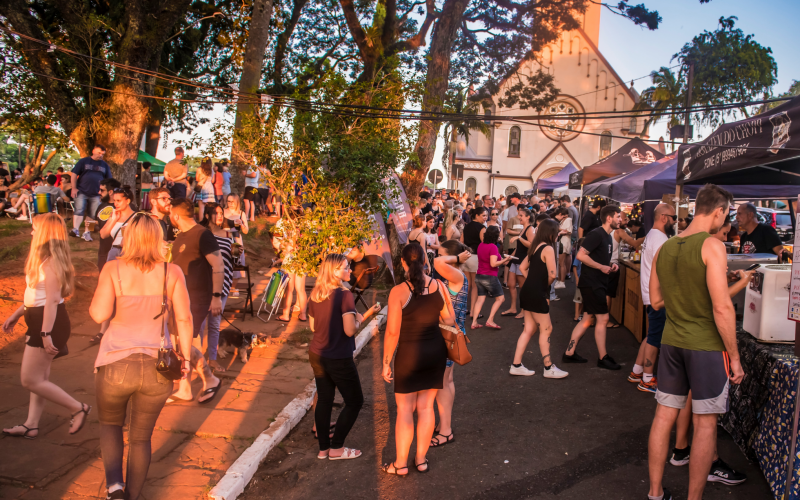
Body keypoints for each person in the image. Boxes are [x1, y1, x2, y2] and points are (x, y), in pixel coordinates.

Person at [647, 184, 745, 500]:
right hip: (704, 347)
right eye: (726, 214)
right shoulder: (712, 246)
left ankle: (655, 493)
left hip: (672, 343)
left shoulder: (666, 246)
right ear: (718, 211)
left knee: (664, 416)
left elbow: (657, 300)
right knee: (705, 425)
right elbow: (721, 306)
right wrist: (736, 356)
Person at [89, 213, 194, 500]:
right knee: (141, 437)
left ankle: (114, 488)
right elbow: (184, 320)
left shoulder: (113, 268)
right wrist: (185, 360)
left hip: (115, 361)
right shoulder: (171, 272)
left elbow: (99, 314)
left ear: (128, 238)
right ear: (158, 239)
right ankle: (133, 495)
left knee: (110, 425)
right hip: (157, 366)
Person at [2, 214, 91, 441]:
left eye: (34, 229)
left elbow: (51, 300)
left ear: (44, 234)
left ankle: (78, 407)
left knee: (30, 380)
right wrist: (16, 315)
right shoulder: (44, 261)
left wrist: (45, 333)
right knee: (39, 378)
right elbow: (35, 297)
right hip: (39, 318)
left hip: (48, 322)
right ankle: (31, 425)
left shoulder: (51, 263)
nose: (31, 233)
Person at [381, 243, 455, 476]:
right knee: (426, 407)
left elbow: (392, 332)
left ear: (403, 263)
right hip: (435, 352)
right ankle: (421, 460)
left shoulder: (399, 292)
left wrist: (386, 362)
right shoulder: (439, 286)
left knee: (405, 410)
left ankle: (400, 464)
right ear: (425, 261)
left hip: (409, 355)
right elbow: (450, 320)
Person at [308, 254, 381, 460]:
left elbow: (314, 327)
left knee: (324, 399)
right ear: (334, 271)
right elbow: (350, 331)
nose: (350, 271)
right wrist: (359, 320)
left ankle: (324, 449)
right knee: (355, 401)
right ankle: (337, 447)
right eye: (346, 268)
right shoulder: (345, 295)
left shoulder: (316, 293)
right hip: (339, 356)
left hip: (317, 353)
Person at [167, 199, 224, 404]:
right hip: (179, 297)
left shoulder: (202, 234)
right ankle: (187, 386)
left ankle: (208, 379)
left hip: (197, 297)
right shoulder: (181, 236)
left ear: (175, 216)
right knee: (178, 342)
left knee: (184, 342)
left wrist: (216, 297)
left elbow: (218, 265)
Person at [563, 205, 622, 370]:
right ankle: (603, 357)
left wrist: (609, 265)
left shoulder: (608, 237)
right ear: (609, 218)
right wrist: (601, 267)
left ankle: (569, 353)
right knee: (602, 319)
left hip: (596, 282)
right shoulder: (596, 234)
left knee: (588, 319)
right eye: (618, 216)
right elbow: (581, 256)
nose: (620, 219)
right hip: (592, 283)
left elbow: (600, 258)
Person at [510, 218, 569, 379]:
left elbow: (522, 267)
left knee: (529, 329)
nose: (558, 234)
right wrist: (542, 285)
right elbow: (552, 274)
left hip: (528, 291)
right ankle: (548, 367)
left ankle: (516, 365)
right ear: (551, 233)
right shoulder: (548, 249)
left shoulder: (536, 246)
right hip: (537, 292)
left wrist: (532, 281)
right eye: (557, 231)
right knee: (546, 328)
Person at [627, 204, 676, 393]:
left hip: (650, 293)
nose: (675, 221)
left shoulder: (652, 236)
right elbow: (666, 270)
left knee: (651, 335)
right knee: (655, 337)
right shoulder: (661, 239)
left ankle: (637, 371)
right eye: (673, 217)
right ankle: (647, 378)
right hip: (658, 295)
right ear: (664, 217)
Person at [431, 240, 471, 448]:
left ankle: (445, 430)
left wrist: (455, 259)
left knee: (442, 384)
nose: (440, 257)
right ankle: (443, 424)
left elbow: (437, 262)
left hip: (447, 336)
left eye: (444, 254)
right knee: (448, 382)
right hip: (452, 335)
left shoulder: (457, 275)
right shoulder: (457, 277)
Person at [200, 203, 235, 372]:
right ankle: (197, 359)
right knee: (199, 325)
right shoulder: (202, 234)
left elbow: (230, 261)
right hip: (205, 283)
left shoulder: (228, 234)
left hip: (223, 282)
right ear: (207, 216)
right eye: (216, 213)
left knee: (214, 324)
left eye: (221, 213)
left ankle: (212, 358)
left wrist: (237, 254)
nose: (220, 216)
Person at [87, 178, 122, 345]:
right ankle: (104, 329)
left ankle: (108, 329)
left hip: (116, 254)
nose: (99, 193)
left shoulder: (109, 207)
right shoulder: (105, 208)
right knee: (108, 291)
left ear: (110, 191)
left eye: (101, 190)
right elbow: (101, 229)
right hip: (105, 253)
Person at [472, 226, 512, 330]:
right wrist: (504, 260)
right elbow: (493, 264)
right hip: (489, 276)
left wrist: (503, 259)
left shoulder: (481, 245)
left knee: (480, 300)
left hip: (479, 275)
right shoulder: (493, 247)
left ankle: (474, 322)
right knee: (500, 299)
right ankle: (490, 320)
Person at [69, 145, 112, 240]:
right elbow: (74, 174)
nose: (100, 155)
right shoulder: (83, 161)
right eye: (99, 153)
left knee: (93, 214)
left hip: (96, 194)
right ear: (93, 151)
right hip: (81, 191)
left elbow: (108, 180)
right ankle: (75, 229)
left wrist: (104, 193)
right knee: (79, 209)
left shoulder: (104, 165)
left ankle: (87, 232)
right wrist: (74, 188)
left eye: (102, 154)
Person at [502, 208, 533, 318]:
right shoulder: (523, 229)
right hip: (516, 259)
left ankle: (524, 310)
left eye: (521, 215)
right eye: (519, 215)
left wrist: (519, 237)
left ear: (528, 217)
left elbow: (531, 245)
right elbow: (519, 247)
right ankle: (513, 308)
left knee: (522, 287)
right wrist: (510, 257)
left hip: (523, 261)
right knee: (511, 284)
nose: (519, 217)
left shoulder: (530, 229)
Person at [462, 207, 488, 320]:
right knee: (475, 286)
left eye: (486, 215)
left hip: (465, 256)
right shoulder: (482, 228)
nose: (485, 218)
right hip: (475, 257)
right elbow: (484, 244)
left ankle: (462, 309)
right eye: (483, 215)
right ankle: (473, 311)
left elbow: (461, 242)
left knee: (467, 285)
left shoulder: (466, 226)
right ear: (476, 215)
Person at [99, 186, 137, 263]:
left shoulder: (137, 217)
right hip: (114, 250)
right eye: (114, 200)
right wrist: (114, 220)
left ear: (128, 201)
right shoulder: (114, 215)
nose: (115, 203)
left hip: (130, 251)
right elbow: (103, 235)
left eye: (119, 201)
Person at [223, 193, 249, 297]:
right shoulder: (223, 212)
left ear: (237, 202)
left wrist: (242, 224)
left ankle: (234, 287)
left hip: (237, 239)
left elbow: (246, 231)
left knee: (237, 264)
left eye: (232, 201)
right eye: (228, 201)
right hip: (225, 238)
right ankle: (225, 286)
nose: (230, 203)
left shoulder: (241, 213)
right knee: (224, 262)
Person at [553, 207, 572, 289]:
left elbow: (569, 231)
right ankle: (559, 280)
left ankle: (562, 281)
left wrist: (557, 228)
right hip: (561, 242)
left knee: (561, 263)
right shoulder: (563, 220)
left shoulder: (568, 220)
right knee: (560, 263)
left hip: (564, 242)